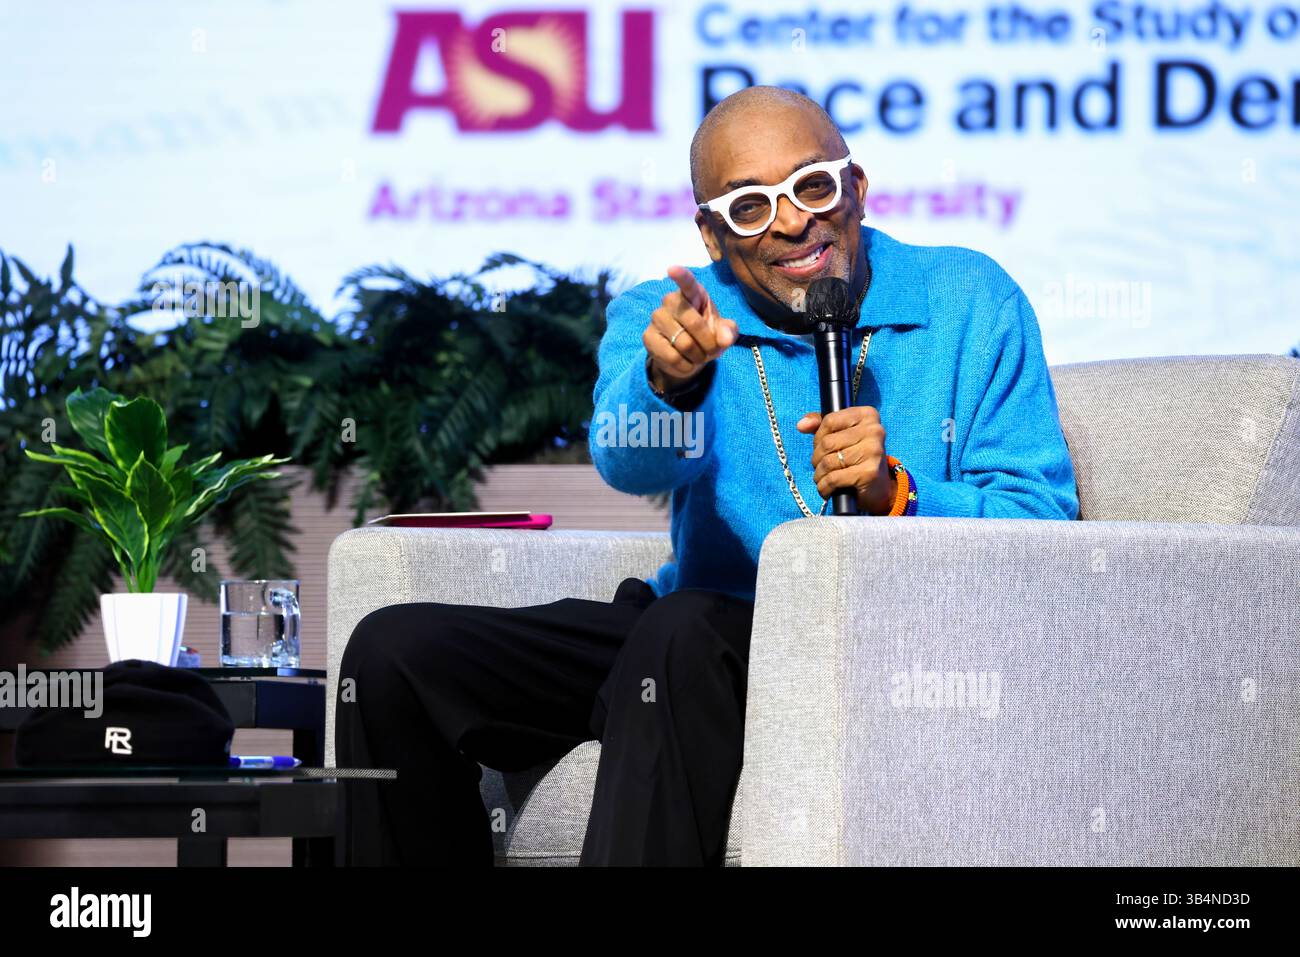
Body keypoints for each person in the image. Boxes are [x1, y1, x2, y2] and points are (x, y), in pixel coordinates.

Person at [335, 86, 1079, 867]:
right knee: (394, 654)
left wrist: (899, 495)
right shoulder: (671, 316)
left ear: (856, 188)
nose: (792, 221)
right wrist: (671, 383)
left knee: (680, 632)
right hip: (698, 630)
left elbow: (1042, 521)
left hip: (877, 646)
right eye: (751, 206)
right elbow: (628, 461)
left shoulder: (968, 298)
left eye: (812, 186)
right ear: (714, 233)